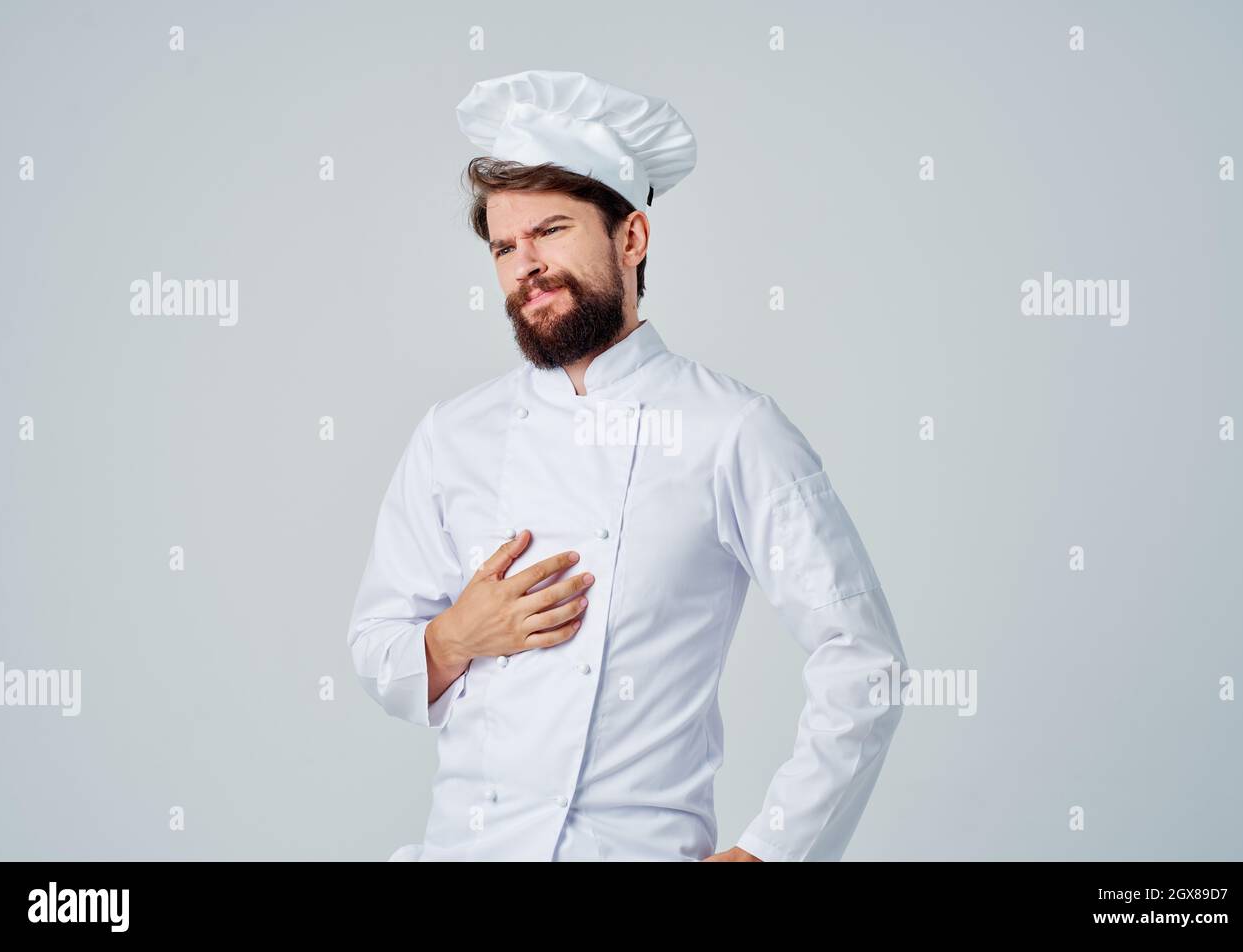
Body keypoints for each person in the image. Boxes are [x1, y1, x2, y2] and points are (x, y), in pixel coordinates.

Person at [347, 69, 907, 861]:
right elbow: (377, 644)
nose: (523, 265)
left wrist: (771, 852)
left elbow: (864, 658)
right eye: (505, 246)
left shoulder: (732, 430)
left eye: (550, 231)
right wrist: (452, 638)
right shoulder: (452, 434)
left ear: (632, 237)